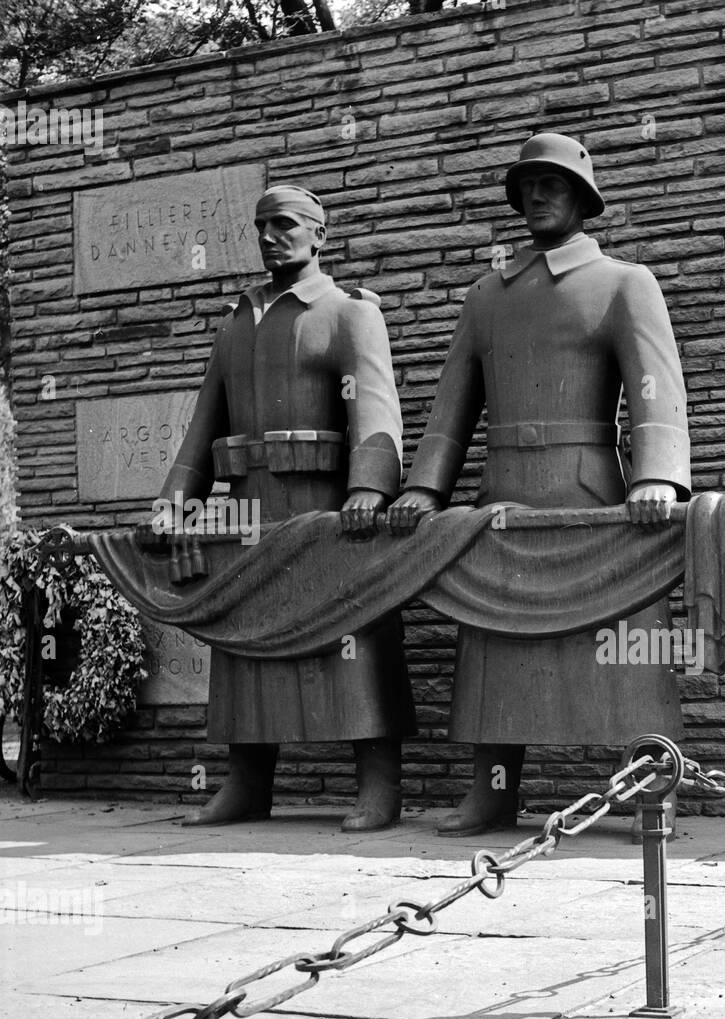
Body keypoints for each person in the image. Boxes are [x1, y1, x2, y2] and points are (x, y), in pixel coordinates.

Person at [389, 132, 691, 836]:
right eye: (527, 182)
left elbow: (656, 388)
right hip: (502, 496)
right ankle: (493, 792)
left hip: (594, 495)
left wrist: (657, 478)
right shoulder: (485, 298)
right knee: (498, 648)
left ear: (584, 198)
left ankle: (652, 790)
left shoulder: (624, 282)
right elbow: (451, 407)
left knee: (624, 650)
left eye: (553, 182)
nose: (538, 192)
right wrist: (426, 490)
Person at [154, 185, 415, 830]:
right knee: (246, 650)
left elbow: (377, 412)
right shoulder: (237, 322)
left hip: (326, 513)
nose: (271, 236)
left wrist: (369, 490)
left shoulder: (350, 313)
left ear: (318, 234)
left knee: (352, 645)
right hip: (247, 512)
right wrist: (173, 503)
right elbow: (202, 427)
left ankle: (378, 786)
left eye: (286, 224)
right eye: (262, 225)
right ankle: (247, 782)